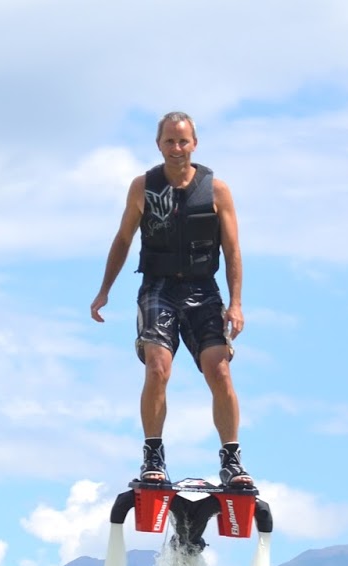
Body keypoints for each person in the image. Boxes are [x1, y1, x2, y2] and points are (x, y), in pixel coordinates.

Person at [90, 112, 252, 490]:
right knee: (157, 367)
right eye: (169, 141)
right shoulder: (143, 187)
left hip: (202, 289)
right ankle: (153, 455)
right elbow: (123, 240)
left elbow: (232, 250)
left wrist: (236, 303)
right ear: (159, 144)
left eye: (183, 141)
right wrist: (104, 291)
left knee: (220, 369)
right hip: (158, 287)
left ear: (194, 144)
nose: (177, 148)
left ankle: (231, 459)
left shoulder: (217, 191)